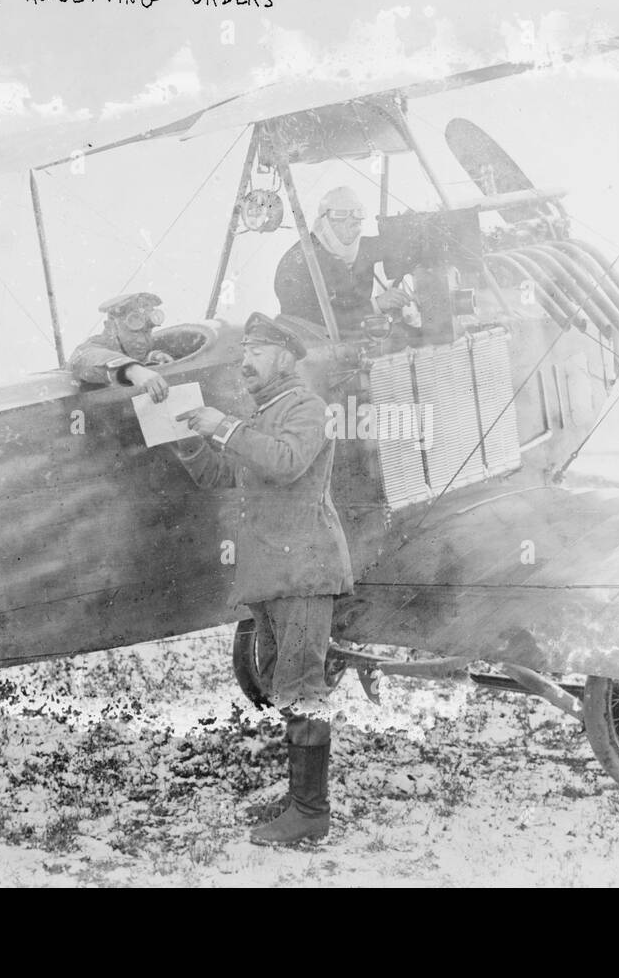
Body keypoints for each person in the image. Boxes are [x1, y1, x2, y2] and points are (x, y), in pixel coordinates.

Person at [173, 312, 353, 845]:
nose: (245, 361)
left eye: (255, 350)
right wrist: (186, 437)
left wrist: (224, 427)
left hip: (303, 569)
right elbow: (224, 474)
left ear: (283, 357)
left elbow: (286, 462)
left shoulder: (307, 408)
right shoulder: (264, 413)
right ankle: (302, 797)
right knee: (282, 682)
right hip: (275, 571)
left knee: (300, 688)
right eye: (243, 350)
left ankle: (310, 813)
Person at [274, 186, 412, 336]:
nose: (353, 222)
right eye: (342, 215)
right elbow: (312, 321)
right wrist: (376, 305)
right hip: (317, 344)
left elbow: (401, 246)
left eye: (357, 215)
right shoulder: (297, 263)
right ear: (325, 222)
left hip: (357, 337)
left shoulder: (360, 246)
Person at [67, 292, 170, 402]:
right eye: (134, 333)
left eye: (147, 331)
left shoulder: (131, 351)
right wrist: (133, 371)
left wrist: (152, 357)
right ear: (112, 328)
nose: (142, 340)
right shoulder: (92, 347)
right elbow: (84, 358)